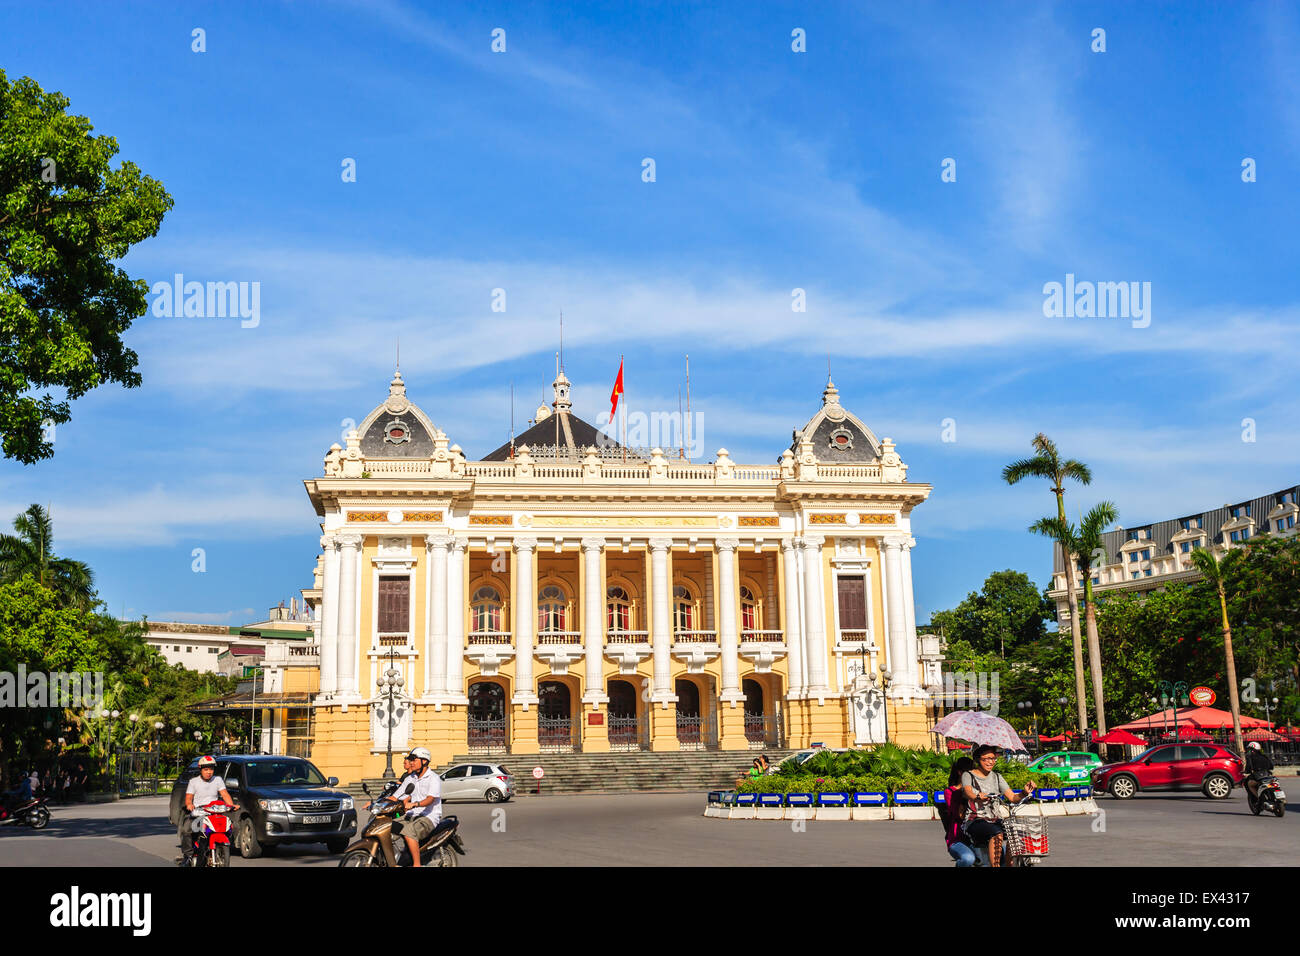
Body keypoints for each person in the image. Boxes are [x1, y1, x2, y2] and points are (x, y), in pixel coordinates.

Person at [961, 744, 1034, 867]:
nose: (991, 762)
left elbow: (1012, 797)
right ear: (978, 759)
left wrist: (1024, 792)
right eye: (986, 759)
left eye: (993, 758)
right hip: (975, 819)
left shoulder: (997, 777)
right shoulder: (968, 775)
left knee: (1014, 833)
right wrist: (977, 796)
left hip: (995, 819)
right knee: (996, 833)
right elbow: (967, 791)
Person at [178, 755, 237, 866]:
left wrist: (232, 805)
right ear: (200, 770)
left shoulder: (218, 780)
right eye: (206, 769)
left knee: (229, 826)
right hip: (199, 812)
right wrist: (190, 805)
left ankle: (219, 848)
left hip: (214, 811)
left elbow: (224, 794)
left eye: (211, 769)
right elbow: (189, 798)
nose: (209, 772)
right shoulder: (193, 782)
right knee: (187, 829)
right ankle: (188, 856)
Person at [389, 747, 441, 867]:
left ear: (424, 761)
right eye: (410, 760)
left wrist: (414, 804)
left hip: (429, 817)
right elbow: (395, 797)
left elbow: (430, 799)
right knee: (387, 827)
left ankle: (417, 864)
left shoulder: (433, 778)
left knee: (409, 831)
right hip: (412, 815)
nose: (411, 762)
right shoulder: (410, 778)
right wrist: (375, 804)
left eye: (414, 759)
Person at [941, 756, 977, 867]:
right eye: (969, 772)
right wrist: (964, 794)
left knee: (1002, 853)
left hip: (977, 836)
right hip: (957, 839)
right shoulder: (950, 792)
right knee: (968, 859)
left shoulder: (977, 790)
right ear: (960, 773)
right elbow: (959, 815)